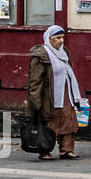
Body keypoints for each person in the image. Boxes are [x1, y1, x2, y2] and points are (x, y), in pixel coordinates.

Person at [27, 25, 82, 160]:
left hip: (65, 94)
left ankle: (66, 150)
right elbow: (35, 80)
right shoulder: (41, 55)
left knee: (68, 120)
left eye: (63, 37)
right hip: (48, 96)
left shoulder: (64, 53)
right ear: (49, 39)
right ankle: (44, 150)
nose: (61, 41)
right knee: (48, 122)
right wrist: (35, 100)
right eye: (58, 38)